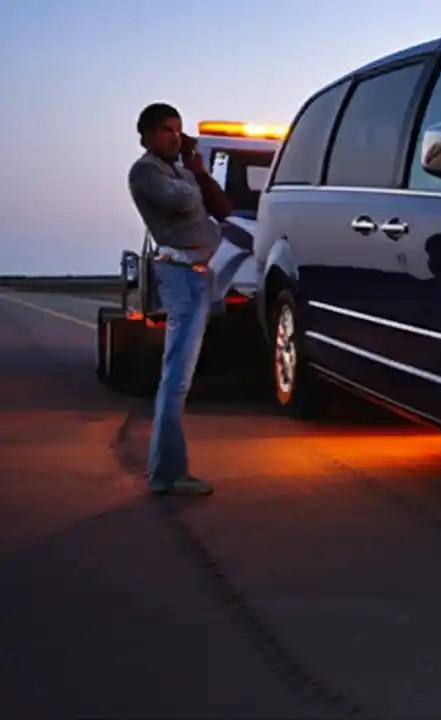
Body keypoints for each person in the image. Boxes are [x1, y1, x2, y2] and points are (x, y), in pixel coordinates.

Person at [128, 103, 233, 496]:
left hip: (199, 275)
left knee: (181, 377)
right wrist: (193, 178)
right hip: (180, 273)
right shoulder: (146, 171)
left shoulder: (182, 170)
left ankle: (167, 471)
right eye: (166, 130)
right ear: (146, 135)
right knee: (176, 377)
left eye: (178, 129)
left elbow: (222, 208)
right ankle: (166, 474)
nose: (175, 136)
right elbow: (184, 203)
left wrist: (198, 171)